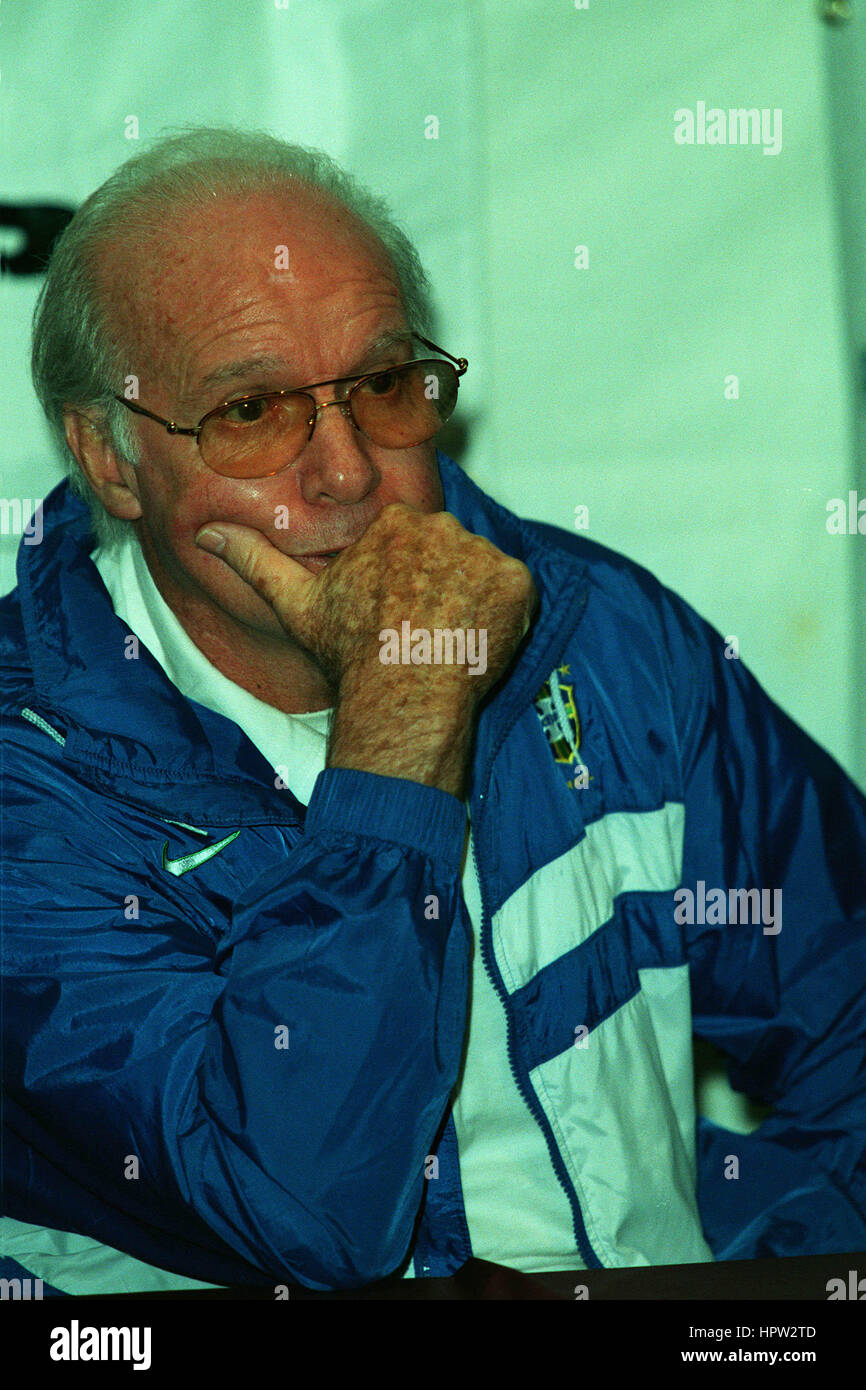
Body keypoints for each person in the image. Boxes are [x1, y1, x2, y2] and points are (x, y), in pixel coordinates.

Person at [2, 128, 865, 1298]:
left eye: (379, 385)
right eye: (254, 410)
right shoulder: (25, 775)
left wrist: (758, 1303)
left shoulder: (594, 632)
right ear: (110, 456)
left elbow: (848, 1009)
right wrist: (403, 715)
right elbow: (310, 1215)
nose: (348, 471)